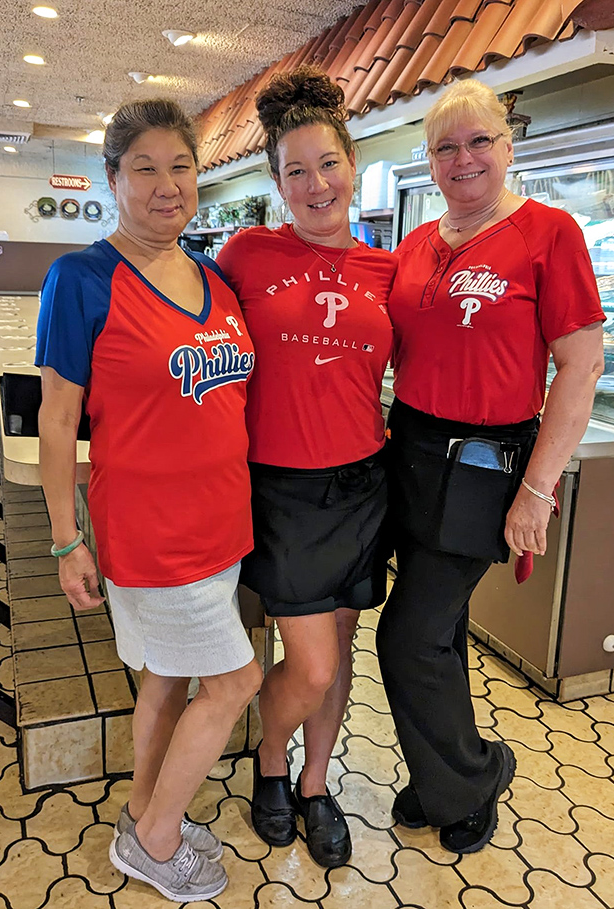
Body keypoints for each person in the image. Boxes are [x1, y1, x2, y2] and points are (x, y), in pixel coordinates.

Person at [36, 98, 263, 902]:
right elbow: (58, 422)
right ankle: (156, 843)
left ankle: (141, 808)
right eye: (145, 168)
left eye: (181, 166)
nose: (168, 186)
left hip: (222, 529)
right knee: (236, 683)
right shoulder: (82, 279)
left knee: (167, 682)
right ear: (111, 178)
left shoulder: (215, 279)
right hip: (153, 537)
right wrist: (67, 540)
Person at [377, 79, 605, 854]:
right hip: (406, 450)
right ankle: (442, 772)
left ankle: (475, 773)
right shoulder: (416, 245)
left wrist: (537, 491)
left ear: (508, 149)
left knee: (406, 636)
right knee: (436, 632)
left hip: (483, 463)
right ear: (430, 163)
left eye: (479, 141)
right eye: (446, 146)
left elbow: (581, 365)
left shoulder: (549, 233)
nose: (463, 158)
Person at [216, 66, 396, 868]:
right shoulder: (245, 255)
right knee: (311, 661)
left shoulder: (385, 269)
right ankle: (267, 762)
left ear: (351, 166)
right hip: (281, 489)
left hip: (364, 482)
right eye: (296, 170)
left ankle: (315, 782)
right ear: (276, 181)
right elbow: (192, 346)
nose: (316, 183)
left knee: (340, 651)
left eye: (328, 164)